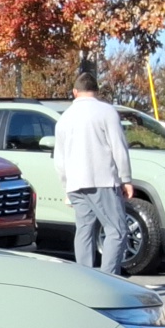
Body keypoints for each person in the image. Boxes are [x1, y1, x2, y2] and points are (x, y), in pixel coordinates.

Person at [54, 70, 135, 274]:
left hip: (75, 183)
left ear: (75, 92)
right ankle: (109, 278)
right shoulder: (106, 112)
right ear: (97, 91)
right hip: (102, 180)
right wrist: (126, 178)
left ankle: (84, 279)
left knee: (84, 230)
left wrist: (66, 187)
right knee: (117, 230)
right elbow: (118, 147)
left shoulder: (64, 118)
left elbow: (59, 158)